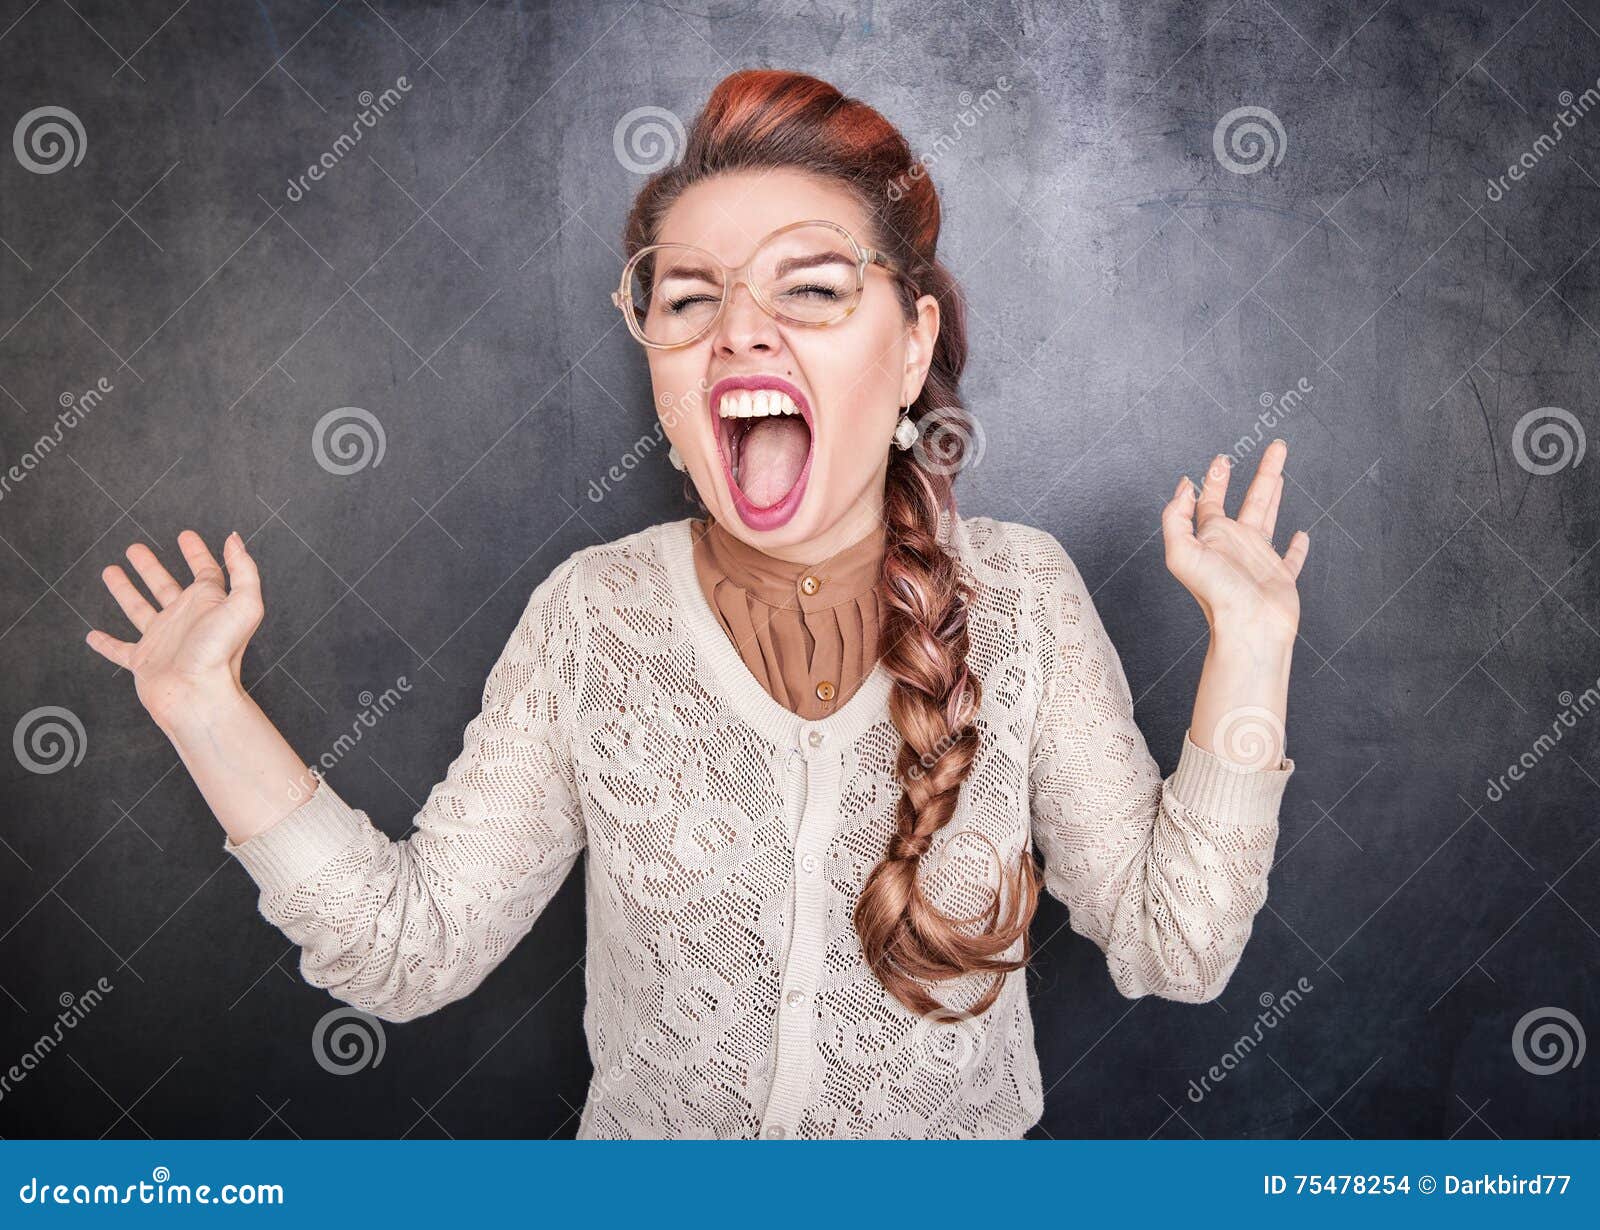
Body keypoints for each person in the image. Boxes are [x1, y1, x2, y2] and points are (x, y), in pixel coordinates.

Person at [84, 68, 1305, 1139]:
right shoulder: (592, 618)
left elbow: (1176, 949)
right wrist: (205, 709)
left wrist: (1252, 646)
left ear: (912, 343)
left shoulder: (1023, 598)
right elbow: (410, 952)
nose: (738, 333)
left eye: (810, 290)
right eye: (687, 300)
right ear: (659, 366)